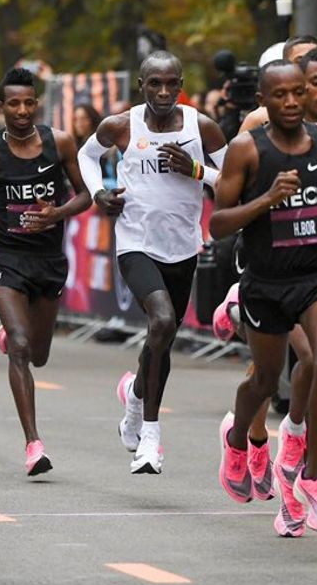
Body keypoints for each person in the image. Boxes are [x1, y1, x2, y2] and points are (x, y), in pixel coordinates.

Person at [213, 60, 317, 536]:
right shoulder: (245, 151)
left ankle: (310, 477)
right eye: (281, 96)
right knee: (267, 382)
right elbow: (219, 224)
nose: (292, 102)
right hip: (266, 282)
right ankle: (236, 440)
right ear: (263, 102)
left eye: (299, 92)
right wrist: (268, 199)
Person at [77, 52, 228, 474]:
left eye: (171, 84)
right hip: (135, 241)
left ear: (181, 84)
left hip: (182, 246)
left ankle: (134, 399)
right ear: (141, 86)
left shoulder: (202, 126)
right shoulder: (121, 125)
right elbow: (86, 157)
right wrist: (98, 194)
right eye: (154, 84)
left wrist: (197, 169)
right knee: (160, 323)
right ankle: (150, 439)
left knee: (160, 341)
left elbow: (236, 175)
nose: (163, 92)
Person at [0, 67, 92, 475]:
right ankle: (33, 444)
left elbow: (85, 195)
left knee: (40, 355)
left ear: (37, 103)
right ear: (1, 107)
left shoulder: (60, 143)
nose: (22, 110)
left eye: (29, 102)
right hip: (8, 259)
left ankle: (13, 333)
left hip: (48, 262)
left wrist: (58, 213)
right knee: (19, 346)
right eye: (13, 103)